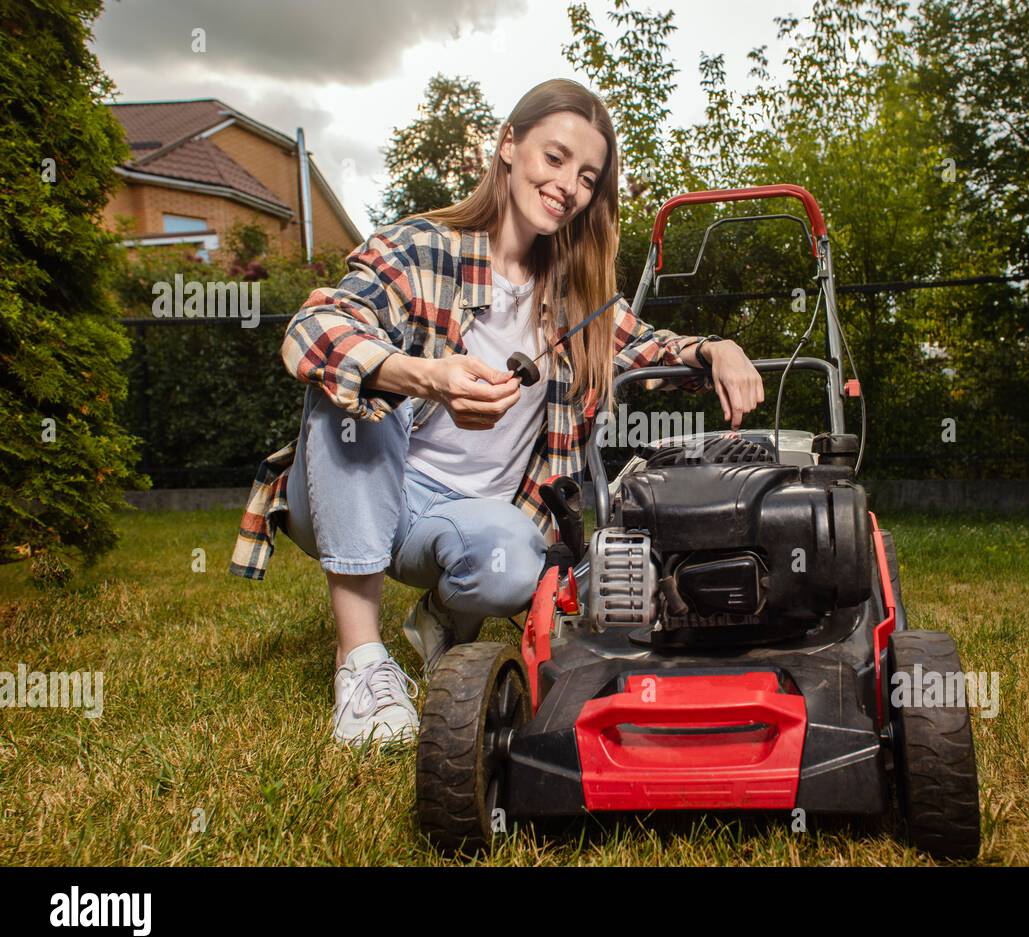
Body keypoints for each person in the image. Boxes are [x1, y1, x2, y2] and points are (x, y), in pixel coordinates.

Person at [228, 78, 765, 746]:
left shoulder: (577, 297)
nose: (567, 185)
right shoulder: (423, 247)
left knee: (517, 563)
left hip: (462, 517)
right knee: (356, 392)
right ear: (509, 145)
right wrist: (425, 377)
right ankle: (361, 662)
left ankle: (440, 620)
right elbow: (317, 327)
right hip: (354, 492)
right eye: (555, 157)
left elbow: (652, 348)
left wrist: (715, 348)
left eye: (587, 177)